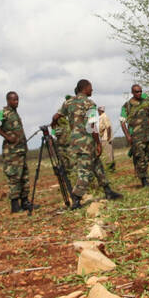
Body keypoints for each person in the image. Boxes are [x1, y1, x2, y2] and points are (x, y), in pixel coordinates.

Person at [59, 80, 122, 208]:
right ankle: (76, 198)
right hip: (86, 141)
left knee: (97, 165)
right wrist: (98, 143)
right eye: (90, 88)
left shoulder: (68, 102)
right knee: (85, 170)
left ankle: (107, 190)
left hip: (75, 141)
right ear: (85, 88)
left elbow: (57, 115)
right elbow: (92, 126)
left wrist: (54, 123)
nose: (92, 90)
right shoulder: (90, 103)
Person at [0, 92, 30, 212]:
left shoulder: (14, 113)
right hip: (12, 152)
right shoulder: (4, 112)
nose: (16, 102)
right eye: (14, 100)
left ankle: (25, 202)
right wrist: (7, 137)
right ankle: (15, 205)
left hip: (20, 151)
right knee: (14, 177)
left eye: (17, 100)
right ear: (8, 100)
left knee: (24, 176)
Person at [119, 85, 149, 184]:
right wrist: (128, 135)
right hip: (135, 135)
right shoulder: (127, 106)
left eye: (141, 91)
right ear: (132, 92)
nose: (139, 93)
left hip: (147, 134)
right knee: (139, 156)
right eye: (137, 92)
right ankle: (143, 179)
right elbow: (122, 122)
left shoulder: (145, 103)